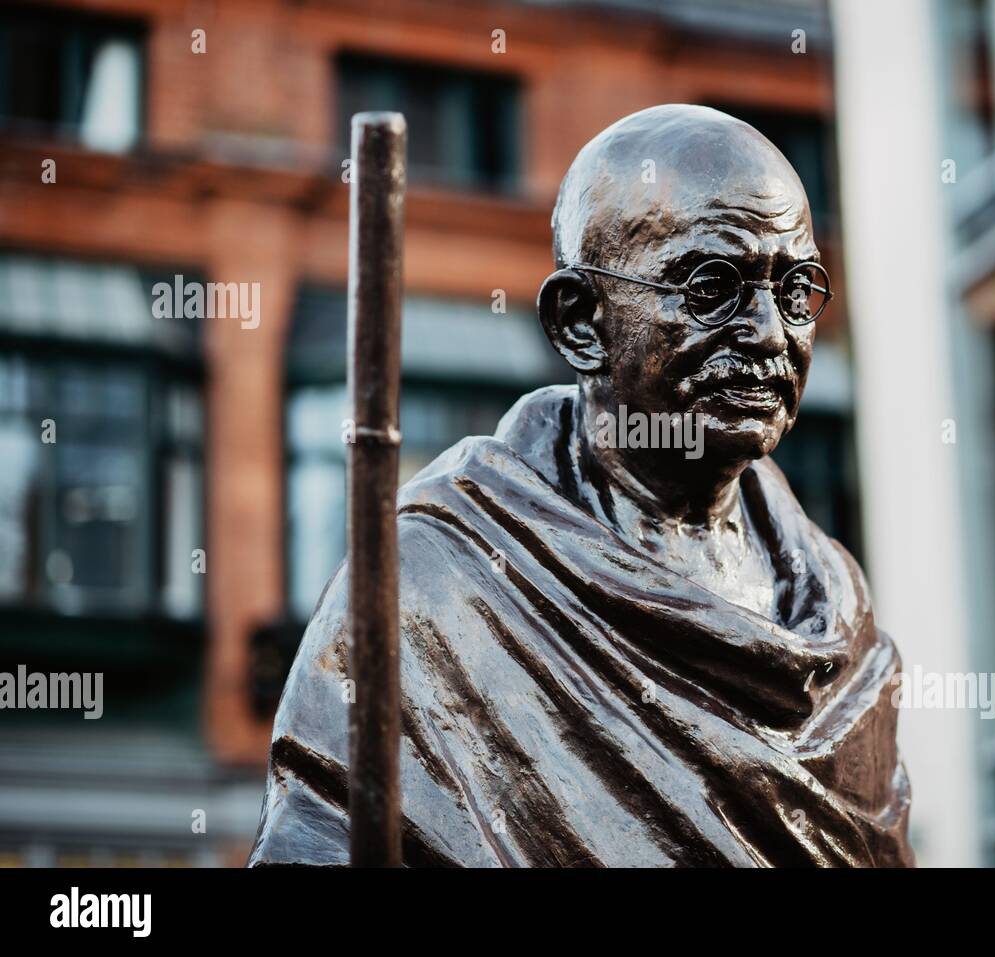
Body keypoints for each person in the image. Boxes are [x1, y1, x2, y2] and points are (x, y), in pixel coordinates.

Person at [249, 104, 914, 867]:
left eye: (795, 289)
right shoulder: (434, 581)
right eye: (711, 289)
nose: (770, 332)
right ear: (580, 324)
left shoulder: (838, 620)